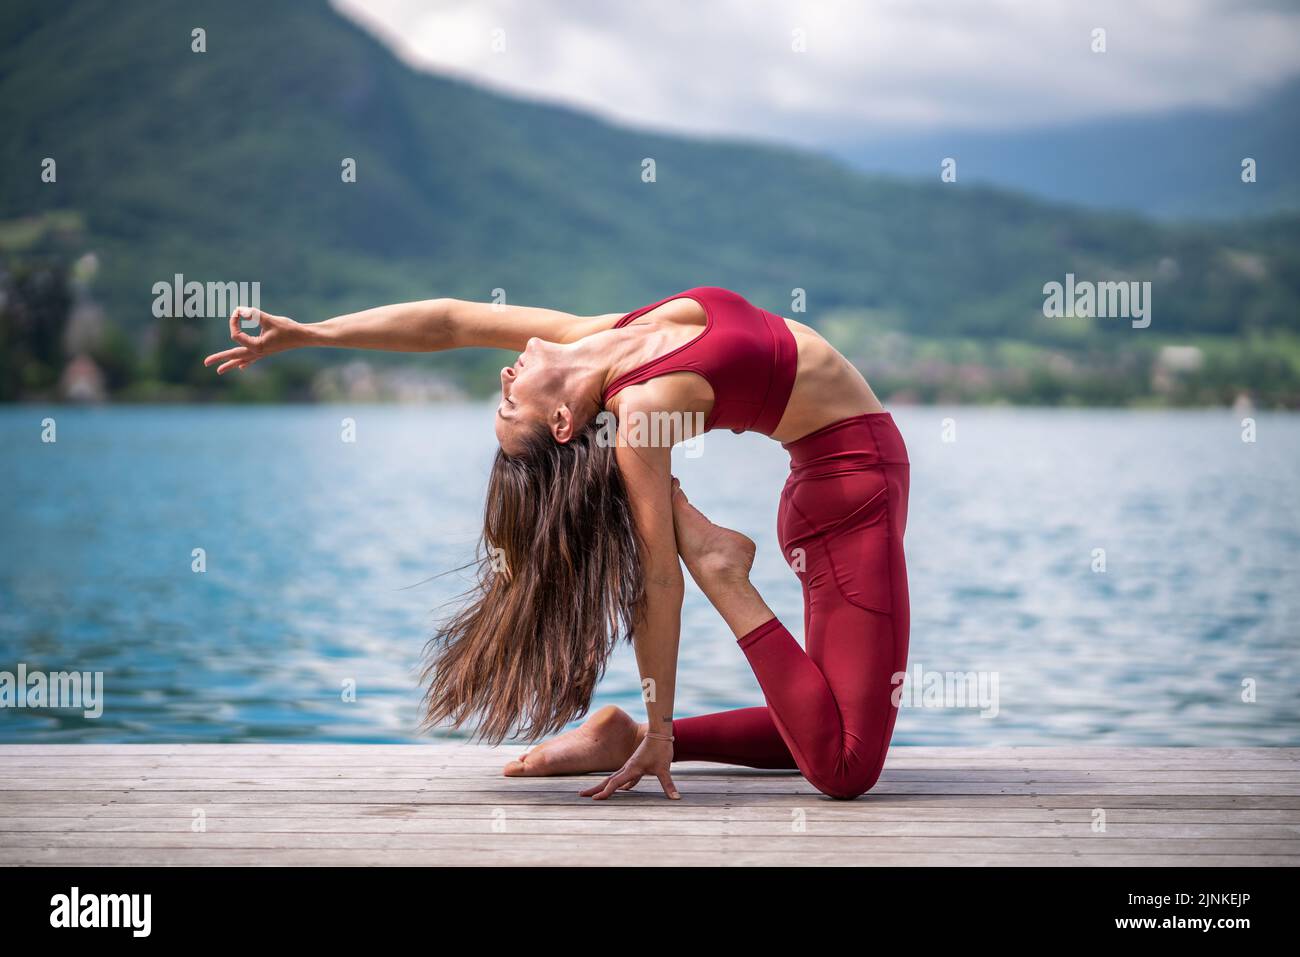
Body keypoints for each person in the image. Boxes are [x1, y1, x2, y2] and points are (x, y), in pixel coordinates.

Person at [204, 287, 909, 800]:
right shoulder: (641, 412)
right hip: (854, 493)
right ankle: (724, 573)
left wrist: (308, 333)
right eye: (511, 405)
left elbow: (450, 320)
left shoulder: (603, 332)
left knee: (823, 715)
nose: (503, 379)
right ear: (567, 420)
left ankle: (627, 732)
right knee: (845, 765)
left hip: (837, 485)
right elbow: (657, 581)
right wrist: (664, 720)